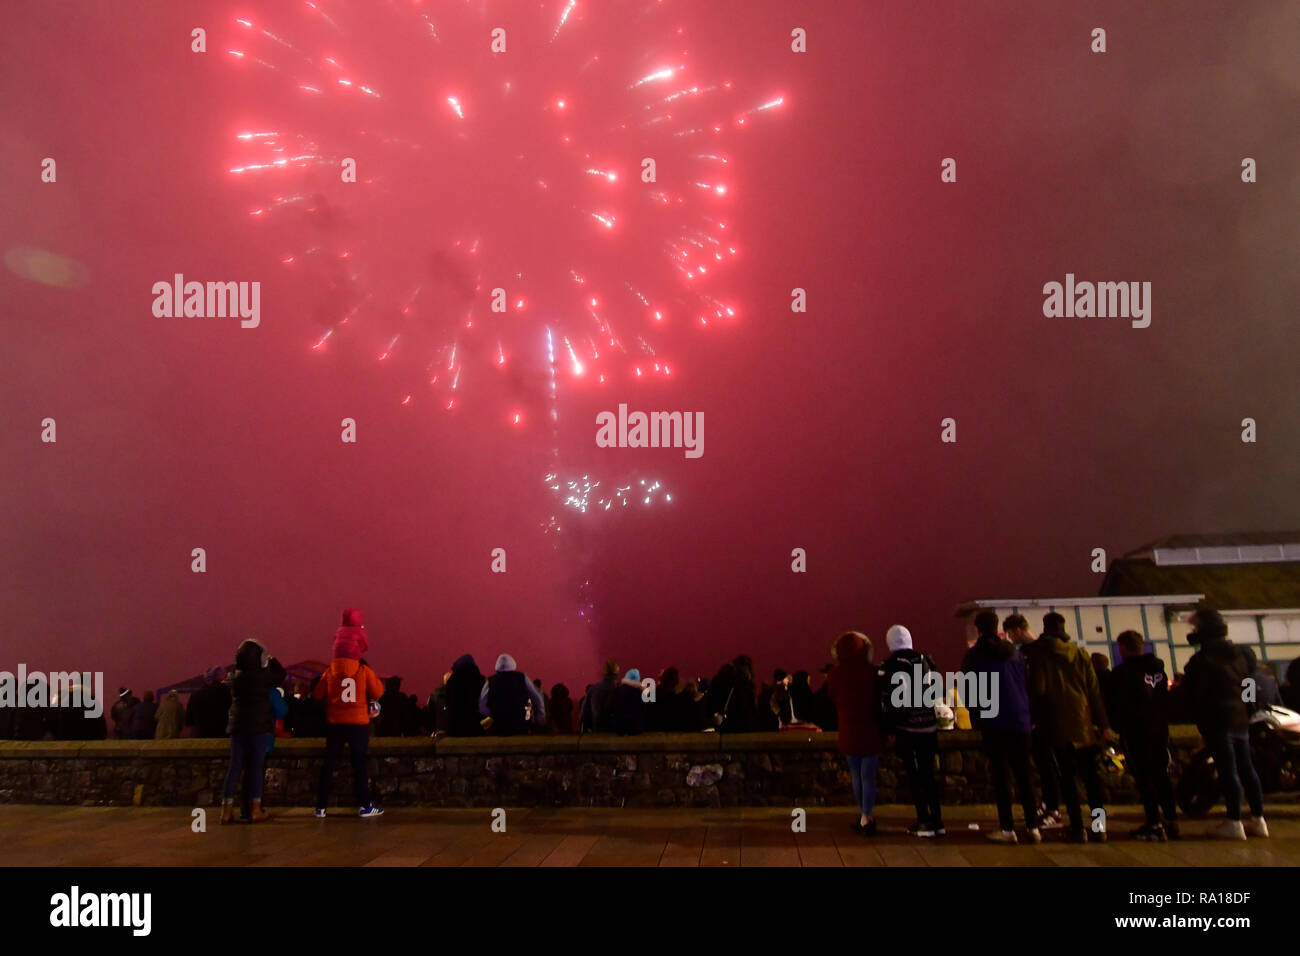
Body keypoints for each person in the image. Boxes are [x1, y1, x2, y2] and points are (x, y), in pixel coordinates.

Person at [1025, 612, 1111, 843]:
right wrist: (1103, 725)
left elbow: (1039, 689)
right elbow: (1094, 692)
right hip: (1083, 724)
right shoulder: (1081, 655)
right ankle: (1099, 826)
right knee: (1092, 782)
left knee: (1068, 781)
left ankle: (1077, 828)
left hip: (1056, 724)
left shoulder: (1041, 656)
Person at [1183, 606, 1267, 840]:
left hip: (1217, 720)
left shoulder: (1200, 661)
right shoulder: (1243, 654)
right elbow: (1249, 685)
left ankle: (1234, 821)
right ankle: (1258, 819)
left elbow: (1194, 696)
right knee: (1246, 768)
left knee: (1228, 770)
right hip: (1240, 718)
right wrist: (1248, 710)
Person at [964, 612, 1040, 844]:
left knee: (1001, 777)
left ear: (978, 629)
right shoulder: (1015, 654)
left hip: (993, 721)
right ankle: (1033, 826)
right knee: (1024, 775)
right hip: (1020, 720)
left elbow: (971, 691)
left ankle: (1007, 829)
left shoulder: (974, 656)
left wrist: (976, 718)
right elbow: (1028, 685)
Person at [1105, 630, 1178, 840]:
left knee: (1144, 778)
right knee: (1162, 776)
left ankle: (1154, 822)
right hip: (1159, 729)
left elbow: (1116, 705)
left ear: (1123, 648)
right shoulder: (1159, 672)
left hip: (1136, 731)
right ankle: (1171, 819)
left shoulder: (1122, 674)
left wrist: (1116, 726)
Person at [879, 625, 944, 837]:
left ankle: (924, 821)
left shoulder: (891, 666)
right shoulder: (926, 660)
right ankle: (937, 820)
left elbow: (889, 701)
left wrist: (889, 727)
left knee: (916, 777)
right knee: (929, 775)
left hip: (909, 729)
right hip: (929, 726)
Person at [1005, 613, 1062, 828]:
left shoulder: (1035, 652)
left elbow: (1037, 687)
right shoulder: (1029, 652)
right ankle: (1048, 805)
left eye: (1011, 633)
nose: (1010, 638)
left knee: (1048, 764)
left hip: (1042, 717)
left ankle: (1053, 810)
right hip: (1035, 716)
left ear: (1018, 629)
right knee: (1042, 763)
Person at [313, 652, 385, 818]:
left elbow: (317, 694)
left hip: (335, 722)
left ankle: (321, 806)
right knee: (360, 764)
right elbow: (378, 692)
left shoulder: (330, 670)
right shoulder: (363, 670)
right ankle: (365, 805)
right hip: (358, 723)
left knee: (329, 763)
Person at [827, 631, 884, 836]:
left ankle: (864, 815)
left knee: (856, 775)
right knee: (868, 776)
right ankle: (866, 817)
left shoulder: (835, 674)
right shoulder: (873, 672)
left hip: (849, 730)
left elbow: (832, 696)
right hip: (871, 730)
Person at [221, 639, 275, 824]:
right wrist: (271, 660)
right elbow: (280, 674)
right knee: (255, 767)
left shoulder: (234, 677)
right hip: (257, 727)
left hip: (238, 726)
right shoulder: (263, 676)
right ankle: (255, 808)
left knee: (234, 767)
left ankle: (226, 810)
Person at [480, 654, 546, 736]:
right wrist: (540, 717)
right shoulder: (522, 678)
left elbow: (482, 705)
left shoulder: (491, 681)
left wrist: (492, 716)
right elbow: (537, 697)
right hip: (520, 723)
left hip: (499, 725)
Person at [445, 655, 487, 736]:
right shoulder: (480, 680)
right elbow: (483, 704)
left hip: (454, 727)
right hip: (475, 726)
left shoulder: (452, 681)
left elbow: (447, 701)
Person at [185, 667, 230, 738]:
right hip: (222, 736)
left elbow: (189, 720)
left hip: (201, 737)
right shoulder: (227, 692)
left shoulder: (195, 695)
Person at [580, 660, 620, 733]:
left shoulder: (593, 689)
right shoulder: (618, 690)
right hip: (611, 730)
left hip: (595, 730)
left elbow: (584, 714)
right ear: (617, 674)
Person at [610, 669, 648, 735]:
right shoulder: (640, 693)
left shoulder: (617, 691)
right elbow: (644, 712)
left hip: (619, 729)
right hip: (636, 729)